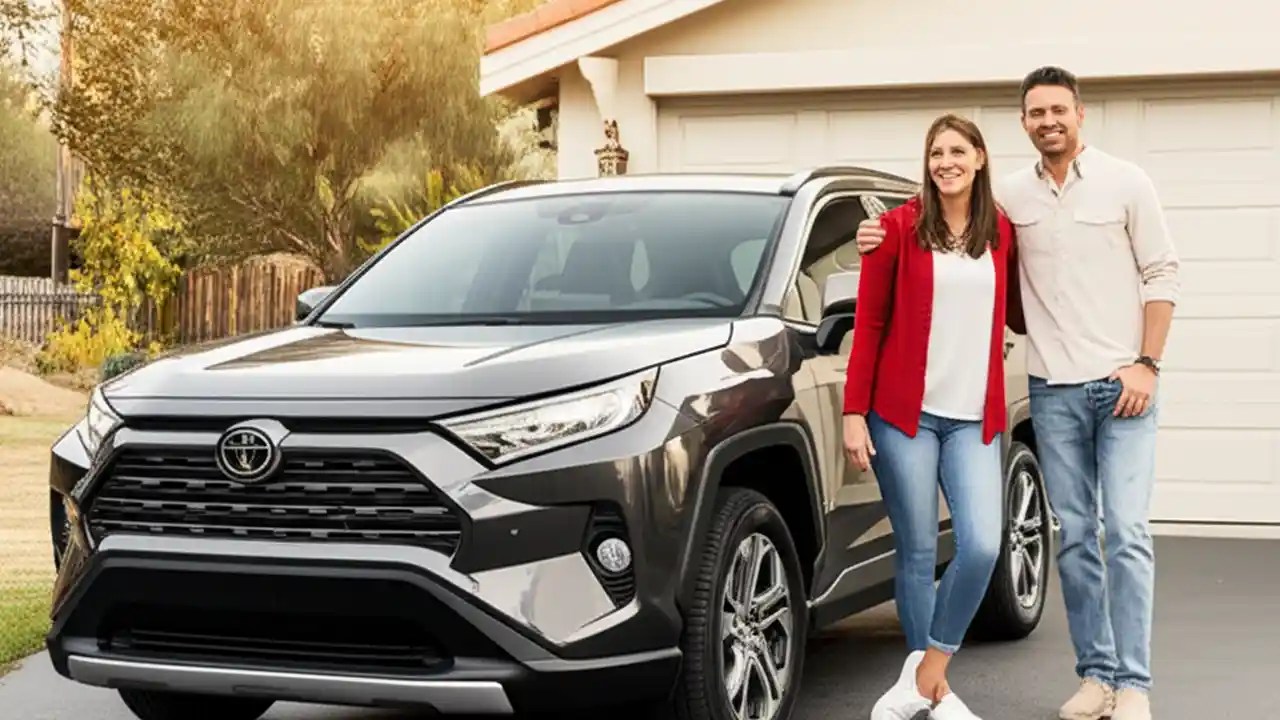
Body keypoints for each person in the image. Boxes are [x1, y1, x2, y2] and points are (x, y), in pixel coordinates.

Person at [853, 66, 1180, 720]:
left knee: (1112, 534)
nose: (1048, 120)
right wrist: (873, 235)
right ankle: (1084, 678)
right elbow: (888, 303)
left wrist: (1148, 361)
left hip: (1101, 392)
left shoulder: (1108, 187)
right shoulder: (972, 210)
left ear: (1078, 113)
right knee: (1072, 537)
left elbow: (1158, 271)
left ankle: (1131, 684)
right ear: (1023, 123)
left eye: (1058, 109)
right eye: (1036, 112)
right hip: (1017, 396)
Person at [842, 112, 1023, 720]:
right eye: (934, 152)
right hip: (905, 417)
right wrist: (853, 413)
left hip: (975, 418)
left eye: (956, 151)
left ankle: (924, 678)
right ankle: (936, 697)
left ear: (978, 159)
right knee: (918, 551)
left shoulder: (1000, 230)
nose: (944, 162)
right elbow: (867, 327)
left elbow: (1023, 306)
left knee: (980, 546)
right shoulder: (893, 230)